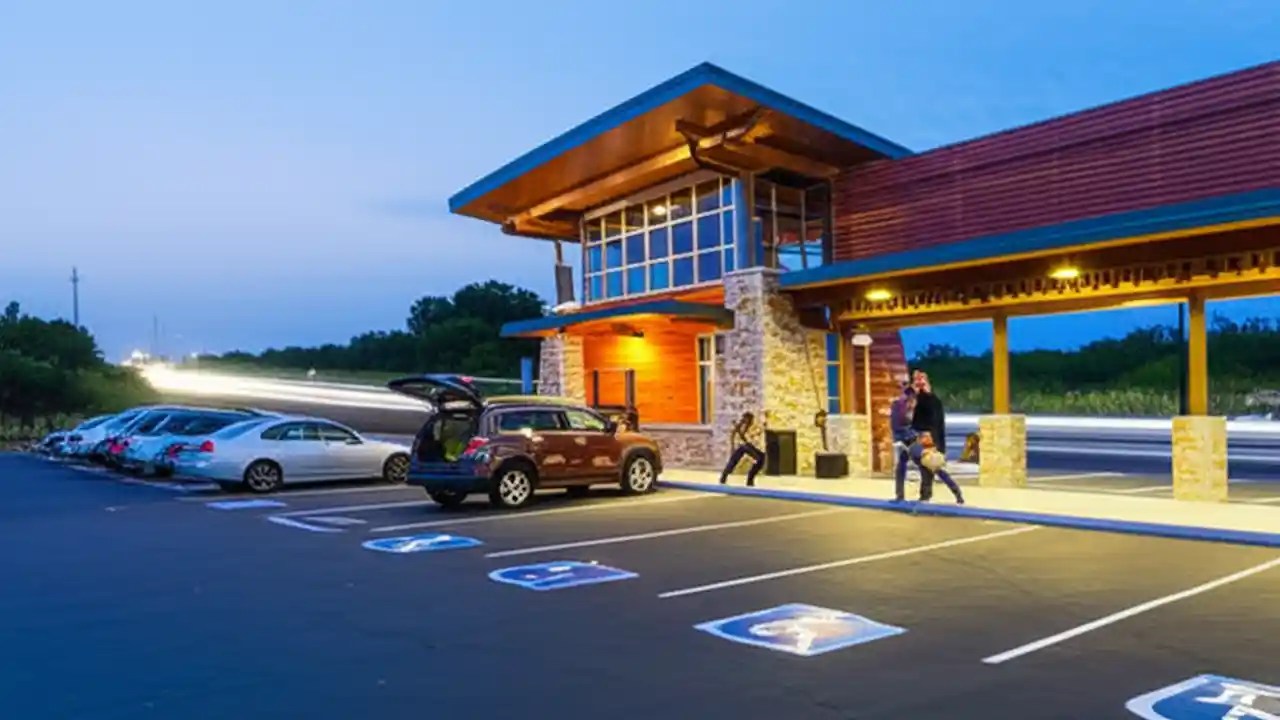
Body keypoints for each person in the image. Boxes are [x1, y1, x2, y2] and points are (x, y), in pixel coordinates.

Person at [910, 370, 947, 501]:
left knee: (929, 466)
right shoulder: (917, 399)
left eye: (921, 380)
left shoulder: (932, 400)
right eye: (916, 380)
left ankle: (926, 493)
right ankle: (925, 493)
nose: (919, 383)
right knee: (926, 466)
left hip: (929, 437)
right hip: (921, 436)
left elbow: (935, 421)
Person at [910, 431, 964, 504]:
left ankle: (958, 494)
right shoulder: (915, 446)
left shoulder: (932, 445)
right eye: (927, 437)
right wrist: (927, 452)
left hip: (933, 463)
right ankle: (925, 497)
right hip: (924, 463)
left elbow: (938, 455)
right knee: (926, 479)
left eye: (930, 437)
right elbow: (919, 454)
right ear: (920, 439)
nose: (930, 439)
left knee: (944, 477)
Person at [719, 411, 765, 487]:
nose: (745, 421)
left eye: (747, 419)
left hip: (756, 447)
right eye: (744, 419)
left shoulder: (755, 426)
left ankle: (750, 480)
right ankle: (724, 476)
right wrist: (732, 446)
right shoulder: (742, 426)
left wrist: (739, 430)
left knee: (760, 461)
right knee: (734, 459)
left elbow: (748, 438)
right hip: (744, 446)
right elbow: (735, 436)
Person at [889, 384, 918, 502]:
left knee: (902, 467)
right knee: (902, 467)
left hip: (908, 438)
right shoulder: (899, 406)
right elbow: (897, 424)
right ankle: (900, 495)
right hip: (905, 438)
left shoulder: (899, 405)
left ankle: (900, 495)